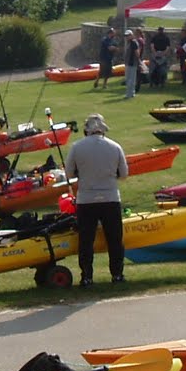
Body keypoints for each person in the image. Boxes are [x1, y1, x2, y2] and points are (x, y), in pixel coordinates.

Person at [65, 113, 128, 286]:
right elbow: (123, 175)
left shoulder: (77, 147)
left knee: (86, 240)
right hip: (110, 198)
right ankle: (117, 274)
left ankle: (87, 276)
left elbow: (69, 173)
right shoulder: (115, 147)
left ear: (86, 131)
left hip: (86, 199)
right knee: (115, 239)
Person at [123, 28, 143, 99]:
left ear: (131, 35)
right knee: (130, 79)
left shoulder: (133, 43)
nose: (126, 37)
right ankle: (131, 93)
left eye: (128, 35)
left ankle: (129, 94)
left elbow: (137, 53)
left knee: (130, 79)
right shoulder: (130, 43)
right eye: (126, 36)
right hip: (129, 63)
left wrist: (138, 62)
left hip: (132, 63)